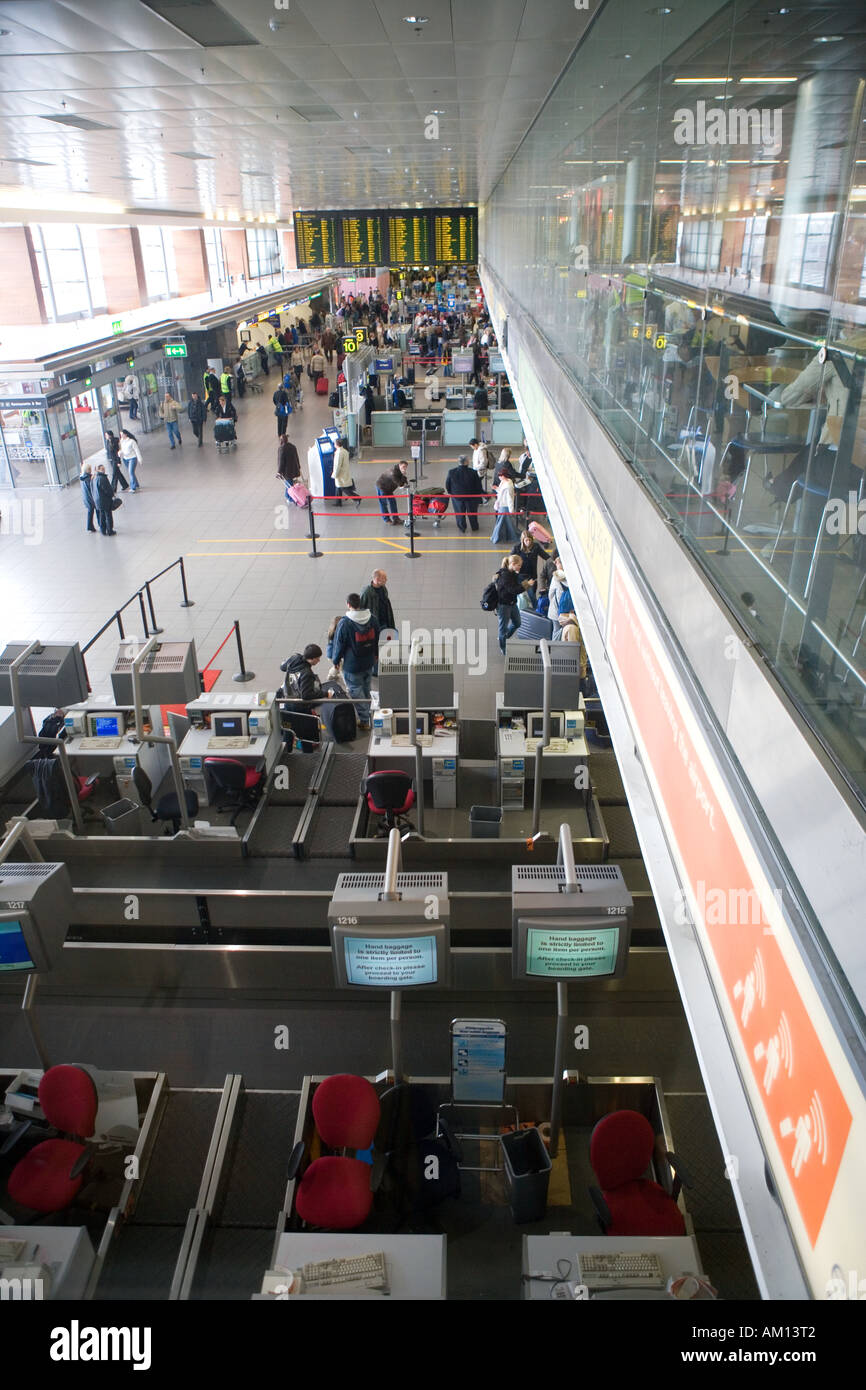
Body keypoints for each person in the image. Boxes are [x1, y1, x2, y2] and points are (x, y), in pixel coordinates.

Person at [331, 593, 380, 730]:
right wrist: (376, 654)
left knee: (355, 691)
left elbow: (339, 644)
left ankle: (365, 720)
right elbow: (377, 639)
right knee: (366, 686)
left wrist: (336, 660)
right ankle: (371, 711)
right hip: (369, 661)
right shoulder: (373, 619)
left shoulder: (345, 622)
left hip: (352, 665)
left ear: (348, 604)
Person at [445, 453, 484, 533]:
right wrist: (478, 495)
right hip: (471, 497)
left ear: (458, 462)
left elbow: (447, 484)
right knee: (472, 513)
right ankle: (474, 526)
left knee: (459, 513)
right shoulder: (473, 472)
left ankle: (462, 527)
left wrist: (452, 493)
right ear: (467, 462)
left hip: (457, 497)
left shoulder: (451, 472)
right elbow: (478, 486)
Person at [494, 555, 525, 655]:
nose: (520, 567)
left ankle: (504, 637)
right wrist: (526, 585)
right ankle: (503, 647)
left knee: (517, 623)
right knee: (502, 628)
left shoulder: (512, 573)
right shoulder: (505, 575)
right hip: (504, 606)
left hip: (512, 603)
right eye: (519, 565)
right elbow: (514, 590)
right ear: (512, 564)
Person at [510, 531, 547, 595]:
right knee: (521, 595)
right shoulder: (516, 548)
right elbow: (510, 561)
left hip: (532, 575)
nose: (528, 542)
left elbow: (545, 556)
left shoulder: (536, 547)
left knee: (532, 594)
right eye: (526, 540)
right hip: (521, 576)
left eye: (530, 540)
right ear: (522, 540)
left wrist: (553, 560)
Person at [360, 570, 395, 634]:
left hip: (385, 623)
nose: (386, 580)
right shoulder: (366, 592)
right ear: (377, 579)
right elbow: (361, 609)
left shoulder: (383, 589)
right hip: (374, 625)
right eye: (384, 578)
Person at [376, 460, 409, 525]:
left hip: (389, 488)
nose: (404, 468)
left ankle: (396, 518)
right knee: (383, 503)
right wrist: (403, 475)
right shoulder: (393, 472)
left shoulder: (399, 470)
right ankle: (387, 519)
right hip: (382, 487)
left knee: (392, 502)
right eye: (403, 466)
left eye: (406, 467)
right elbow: (400, 484)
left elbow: (403, 481)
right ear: (399, 465)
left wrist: (405, 480)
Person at [332, 436, 361, 506]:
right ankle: (338, 502)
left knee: (343, 488)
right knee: (338, 487)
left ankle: (357, 498)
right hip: (344, 472)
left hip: (340, 473)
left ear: (336, 445)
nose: (334, 445)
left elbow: (337, 465)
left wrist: (334, 474)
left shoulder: (339, 453)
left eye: (334, 444)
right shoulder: (344, 451)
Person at [491, 472, 518, 544]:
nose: (499, 477)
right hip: (502, 505)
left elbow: (510, 498)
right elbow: (502, 492)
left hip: (505, 506)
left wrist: (511, 510)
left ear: (504, 476)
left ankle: (496, 537)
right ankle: (507, 536)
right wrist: (497, 488)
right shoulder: (506, 482)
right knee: (506, 523)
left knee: (500, 522)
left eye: (500, 476)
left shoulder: (508, 486)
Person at [91, 464, 116, 537]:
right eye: (102, 469)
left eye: (104, 468)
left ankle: (103, 530)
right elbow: (107, 490)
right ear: (98, 470)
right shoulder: (102, 478)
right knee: (108, 515)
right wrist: (112, 495)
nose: (104, 470)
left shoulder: (94, 478)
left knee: (102, 516)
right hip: (105, 501)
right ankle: (110, 530)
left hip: (98, 501)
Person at [80, 462, 97, 532]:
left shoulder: (83, 477)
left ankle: (90, 526)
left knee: (90, 511)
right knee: (94, 511)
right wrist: (93, 478)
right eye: (89, 469)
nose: (91, 470)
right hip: (91, 498)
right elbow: (91, 487)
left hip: (86, 498)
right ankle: (90, 526)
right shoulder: (88, 478)